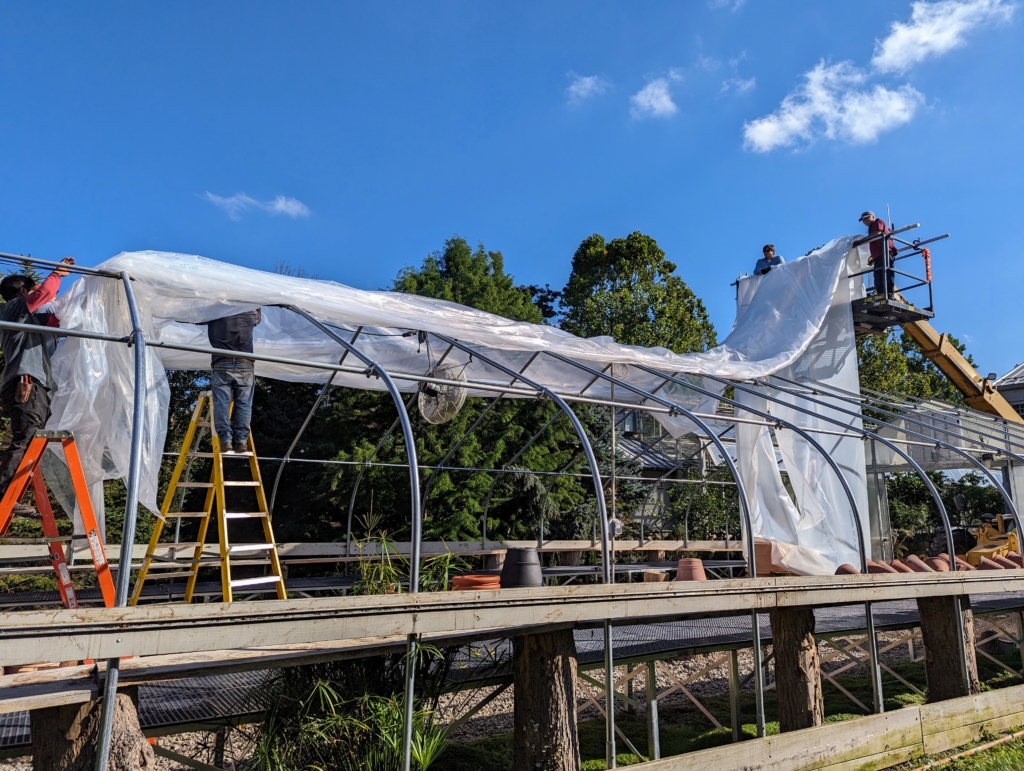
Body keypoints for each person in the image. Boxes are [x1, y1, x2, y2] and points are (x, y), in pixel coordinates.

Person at [0, 258, 75, 507]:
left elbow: (54, 318)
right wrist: (57, 273)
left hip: (33, 384)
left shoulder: (27, 320)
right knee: (26, 436)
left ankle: (13, 494)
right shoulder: (13, 308)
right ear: (23, 291)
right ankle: (4, 495)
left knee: (30, 438)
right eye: (31, 291)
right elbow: (44, 294)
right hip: (26, 383)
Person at [207, 308, 261, 455]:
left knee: (221, 403)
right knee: (244, 404)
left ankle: (226, 440)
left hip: (221, 362)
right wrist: (256, 305)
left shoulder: (215, 312)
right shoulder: (249, 315)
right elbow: (258, 316)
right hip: (245, 364)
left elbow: (196, 316)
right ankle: (241, 441)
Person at [858, 210, 898, 296]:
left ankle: (889, 294)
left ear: (872, 216)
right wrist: (872, 256)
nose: (865, 221)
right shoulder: (870, 228)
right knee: (878, 275)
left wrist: (864, 239)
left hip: (885, 252)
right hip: (878, 255)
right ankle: (881, 294)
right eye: (863, 220)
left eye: (866, 218)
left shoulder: (878, 221)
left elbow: (878, 233)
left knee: (886, 273)